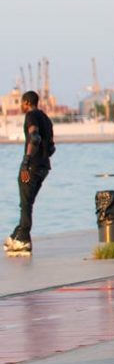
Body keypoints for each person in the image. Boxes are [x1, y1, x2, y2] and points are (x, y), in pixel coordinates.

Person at [5, 92, 54, 256]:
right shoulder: (46, 118)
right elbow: (52, 147)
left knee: (25, 204)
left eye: (21, 102)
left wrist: (26, 162)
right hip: (44, 168)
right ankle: (16, 236)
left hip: (31, 167)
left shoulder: (31, 115)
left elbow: (34, 137)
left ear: (26, 102)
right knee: (27, 203)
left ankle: (24, 239)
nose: (21, 106)